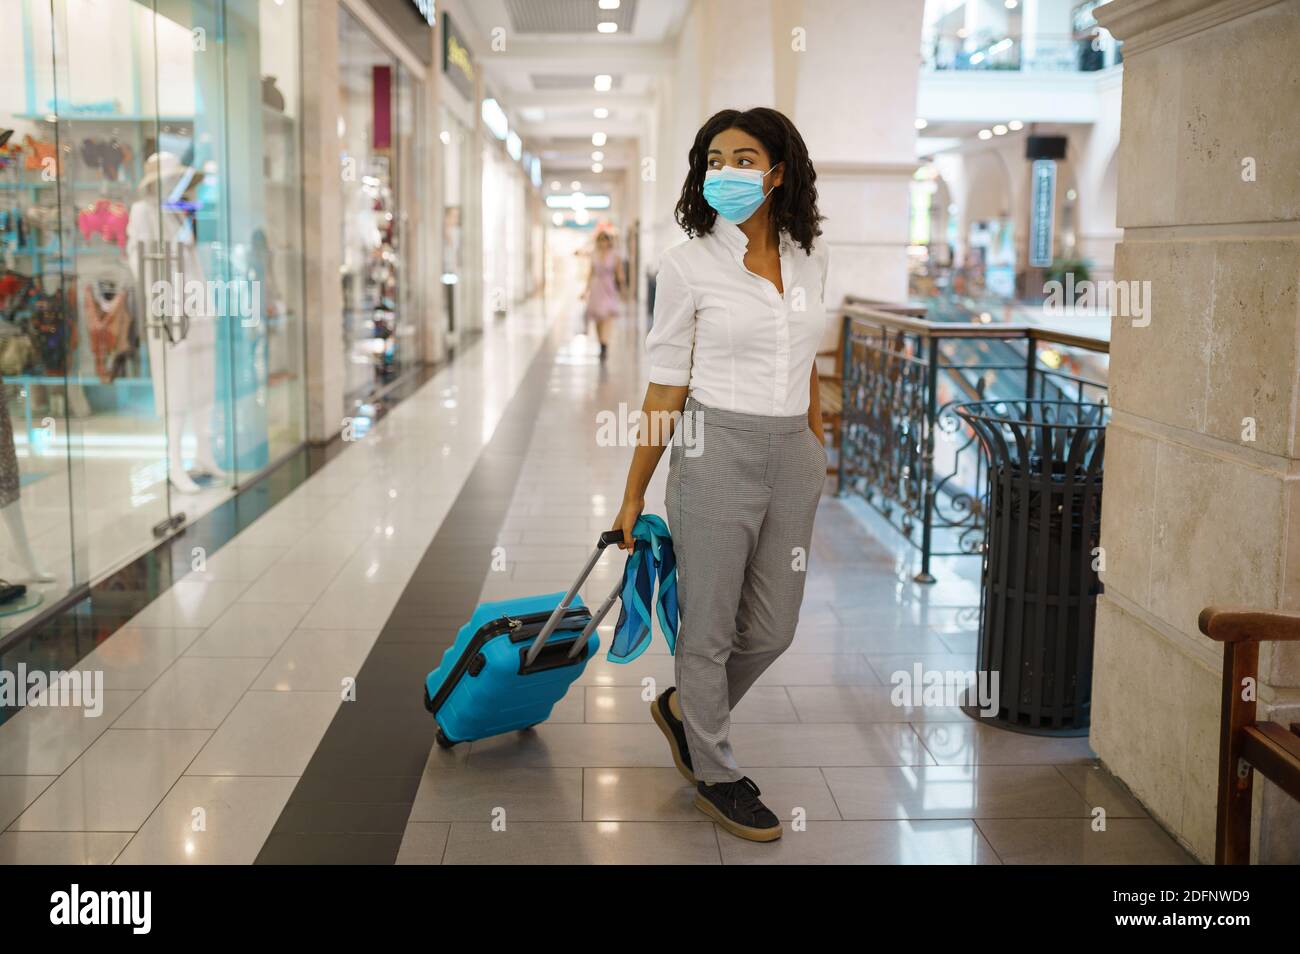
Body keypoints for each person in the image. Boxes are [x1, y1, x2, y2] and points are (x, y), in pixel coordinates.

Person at [611, 107, 829, 842]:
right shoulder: (687, 263)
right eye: (714, 159)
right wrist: (634, 490)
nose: (726, 172)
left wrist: (815, 448)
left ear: (777, 172)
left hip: (792, 457)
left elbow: (804, 371)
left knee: (772, 627)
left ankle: (684, 711)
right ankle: (717, 773)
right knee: (705, 628)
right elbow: (667, 383)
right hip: (712, 448)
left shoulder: (809, 259)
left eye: (743, 158)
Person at [583, 230, 624, 362]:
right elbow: (590, 273)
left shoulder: (615, 256)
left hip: (608, 288)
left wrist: (623, 289)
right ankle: (601, 342)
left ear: (609, 241)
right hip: (596, 288)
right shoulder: (594, 255)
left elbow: (619, 273)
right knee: (598, 319)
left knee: (607, 316)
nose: (603, 243)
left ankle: (604, 345)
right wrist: (586, 290)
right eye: (600, 240)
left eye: (605, 240)